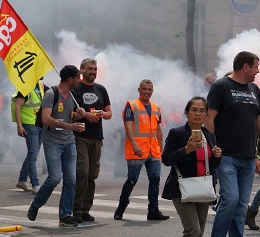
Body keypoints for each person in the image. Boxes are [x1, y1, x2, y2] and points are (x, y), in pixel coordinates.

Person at [205, 51, 260, 237]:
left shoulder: (253, 89)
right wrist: (212, 147)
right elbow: (210, 118)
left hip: (246, 156)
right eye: (255, 67)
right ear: (245, 66)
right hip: (225, 155)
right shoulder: (221, 87)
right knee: (231, 199)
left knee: (241, 204)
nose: (257, 72)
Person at [164, 97, 222, 237]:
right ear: (187, 113)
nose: (198, 114)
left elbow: (212, 166)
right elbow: (166, 159)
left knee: (199, 232)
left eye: (202, 110)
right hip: (181, 187)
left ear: (206, 114)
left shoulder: (209, 135)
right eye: (194, 110)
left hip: (203, 188)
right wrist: (187, 149)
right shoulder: (177, 133)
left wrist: (216, 157)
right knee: (193, 229)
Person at [27, 65, 87, 228]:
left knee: (71, 180)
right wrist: (71, 126)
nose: (79, 80)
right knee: (55, 177)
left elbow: (68, 118)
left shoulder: (72, 95)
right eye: (77, 77)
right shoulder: (50, 94)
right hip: (53, 142)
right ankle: (36, 204)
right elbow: (46, 119)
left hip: (69, 142)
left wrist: (77, 116)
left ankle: (65, 215)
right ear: (70, 79)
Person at [113, 79, 166, 221]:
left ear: (152, 91)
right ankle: (121, 207)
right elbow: (128, 126)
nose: (147, 92)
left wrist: (161, 149)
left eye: (149, 90)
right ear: (139, 90)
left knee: (155, 178)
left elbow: (158, 130)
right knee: (132, 179)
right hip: (137, 150)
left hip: (153, 150)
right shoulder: (132, 105)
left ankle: (153, 210)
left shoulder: (156, 108)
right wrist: (135, 145)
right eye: (144, 89)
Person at [72, 58, 112, 224]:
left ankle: (86, 209)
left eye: (95, 69)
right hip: (80, 136)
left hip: (97, 137)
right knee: (82, 173)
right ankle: (76, 210)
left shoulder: (101, 89)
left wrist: (103, 114)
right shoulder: (75, 89)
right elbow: (69, 115)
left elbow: (110, 113)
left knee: (92, 175)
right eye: (90, 69)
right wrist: (81, 115)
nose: (93, 72)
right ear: (82, 70)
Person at [13, 79, 47, 193]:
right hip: (29, 124)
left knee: (33, 154)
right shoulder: (26, 86)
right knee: (33, 154)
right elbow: (17, 107)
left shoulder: (40, 85)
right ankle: (35, 184)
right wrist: (19, 126)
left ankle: (22, 180)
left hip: (39, 124)